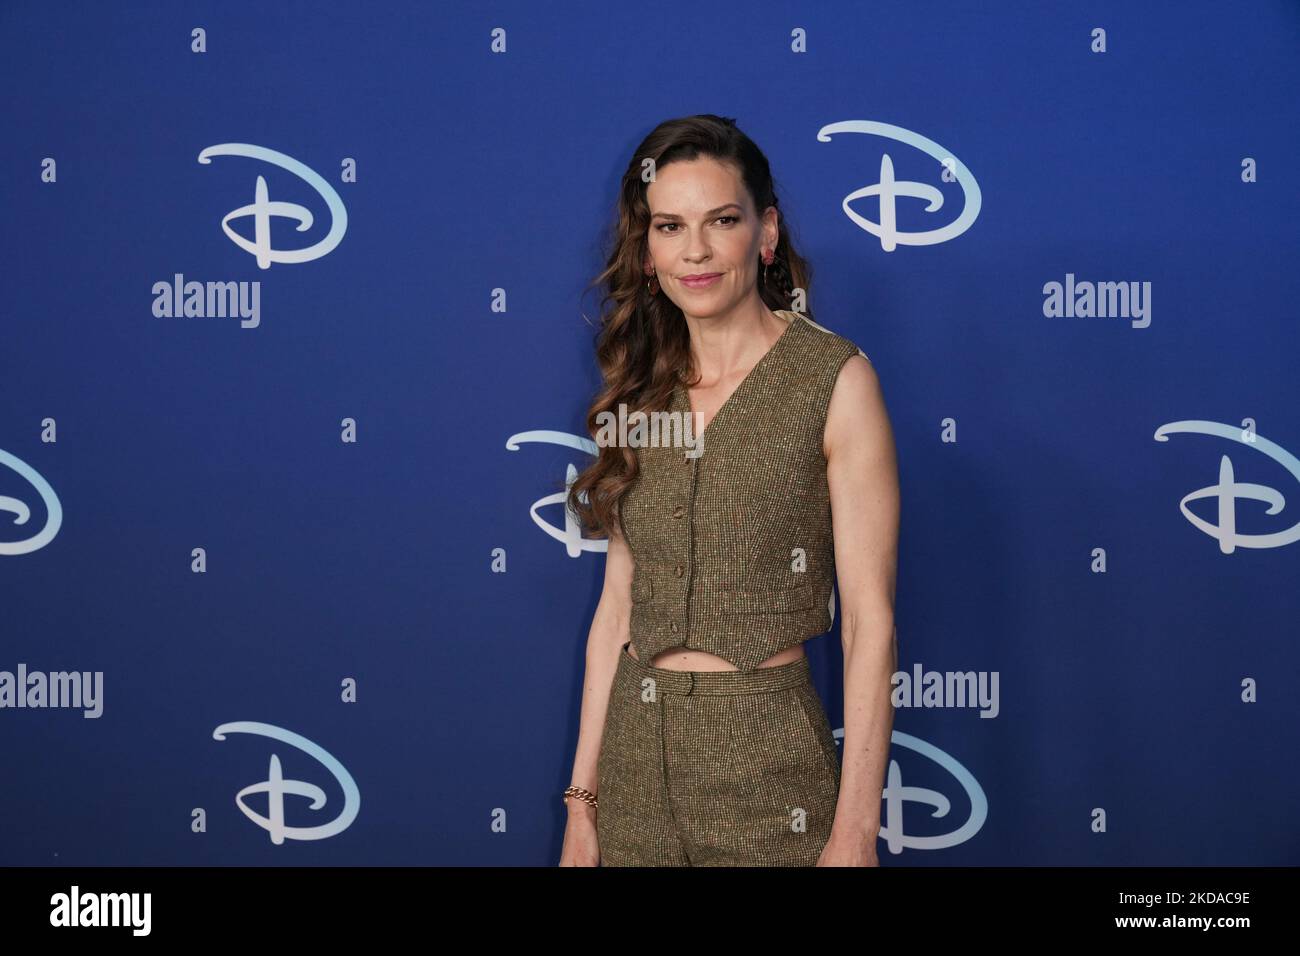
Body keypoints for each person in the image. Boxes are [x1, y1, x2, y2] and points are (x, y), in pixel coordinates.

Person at [559, 115, 899, 866]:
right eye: (670, 227)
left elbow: (869, 625)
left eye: (722, 221)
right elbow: (616, 611)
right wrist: (583, 808)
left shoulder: (834, 382)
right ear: (647, 251)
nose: (697, 251)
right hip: (632, 774)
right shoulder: (641, 392)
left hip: (769, 773)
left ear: (765, 231)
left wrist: (854, 834)